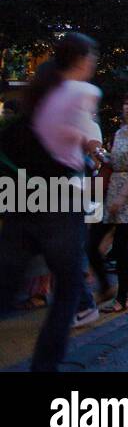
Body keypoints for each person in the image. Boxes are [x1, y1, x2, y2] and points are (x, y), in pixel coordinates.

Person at [0, 34, 100, 371]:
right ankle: (44, 366)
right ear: (82, 59)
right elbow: (78, 131)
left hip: (22, 198)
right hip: (59, 199)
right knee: (69, 287)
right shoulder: (80, 92)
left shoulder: (38, 96)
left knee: (6, 282)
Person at [86, 89, 128, 315]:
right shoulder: (120, 132)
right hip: (115, 185)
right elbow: (114, 162)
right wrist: (100, 154)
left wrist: (123, 195)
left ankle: (122, 298)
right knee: (92, 243)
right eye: (126, 103)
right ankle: (105, 286)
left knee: (121, 246)